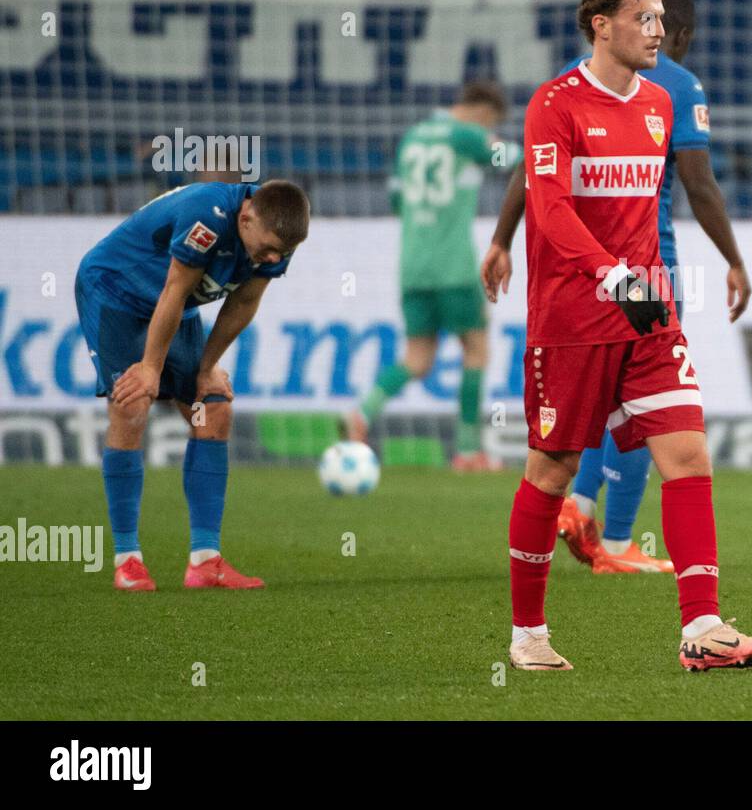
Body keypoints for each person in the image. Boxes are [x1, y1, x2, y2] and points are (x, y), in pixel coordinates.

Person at [493, 0, 752, 670]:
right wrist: (612, 276)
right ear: (602, 25)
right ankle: (527, 634)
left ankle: (704, 627)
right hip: (573, 320)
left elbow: (649, 211)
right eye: (644, 18)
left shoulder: (658, 104)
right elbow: (552, 209)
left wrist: (646, 287)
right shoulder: (554, 105)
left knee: (687, 455)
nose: (658, 31)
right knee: (551, 470)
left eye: (659, 18)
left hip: (646, 317)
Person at [76, 178, 311, 590]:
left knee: (214, 405)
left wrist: (207, 366)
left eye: (283, 253)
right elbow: (173, 288)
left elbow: (243, 303)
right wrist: (150, 368)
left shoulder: (275, 242)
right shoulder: (208, 216)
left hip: (175, 308)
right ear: (246, 217)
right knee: (133, 402)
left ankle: (205, 561)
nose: (273, 257)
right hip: (116, 293)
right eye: (270, 247)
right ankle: (127, 560)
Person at [345, 81, 522, 472]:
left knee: (417, 359)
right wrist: (493, 142)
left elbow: (395, 198)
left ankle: (362, 412)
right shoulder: (468, 135)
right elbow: (518, 159)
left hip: (412, 268)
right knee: (476, 351)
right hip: (455, 267)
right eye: (490, 120)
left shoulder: (412, 137)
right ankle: (467, 450)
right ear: (481, 112)